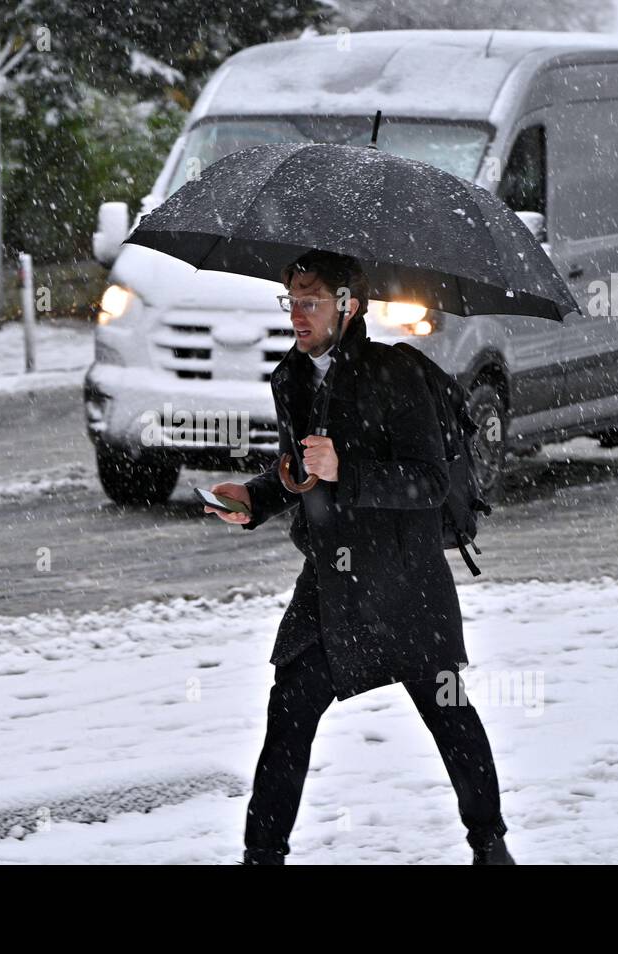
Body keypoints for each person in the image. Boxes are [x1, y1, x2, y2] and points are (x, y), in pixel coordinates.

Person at [203, 249, 514, 865]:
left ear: (349, 305)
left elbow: (427, 482)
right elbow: (298, 471)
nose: (297, 313)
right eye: (291, 299)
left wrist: (348, 471)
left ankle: (490, 845)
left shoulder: (395, 374)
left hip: (406, 579)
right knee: (289, 704)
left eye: (311, 300)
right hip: (332, 579)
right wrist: (257, 497)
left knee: (448, 710)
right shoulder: (290, 378)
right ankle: (261, 856)